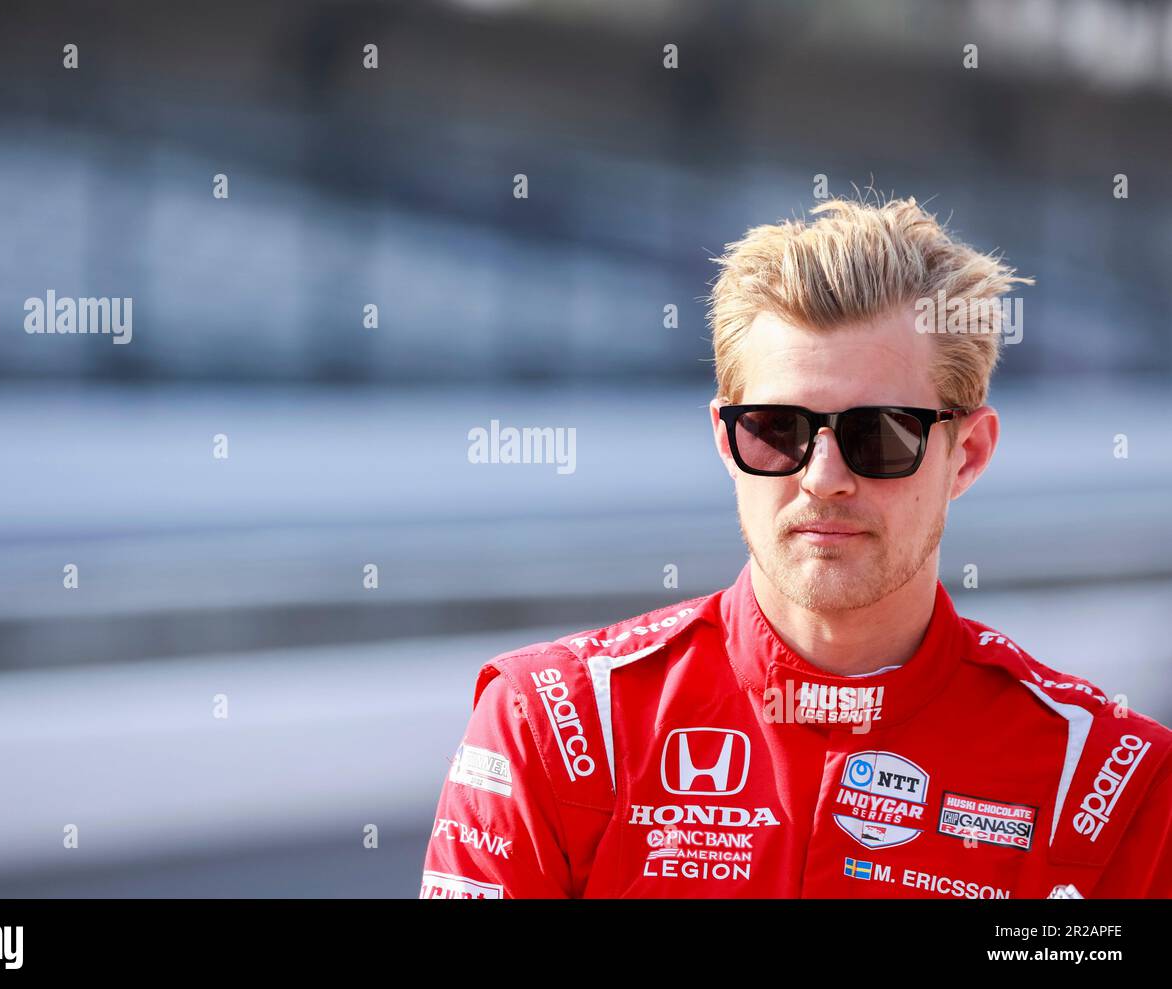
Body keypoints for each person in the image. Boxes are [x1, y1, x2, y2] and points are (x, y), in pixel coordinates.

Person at [419, 196, 1172, 898]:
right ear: (726, 439)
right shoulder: (558, 726)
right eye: (777, 430)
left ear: (966, 455)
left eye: (879, 435)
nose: (823, 478)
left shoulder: (1110, 786)